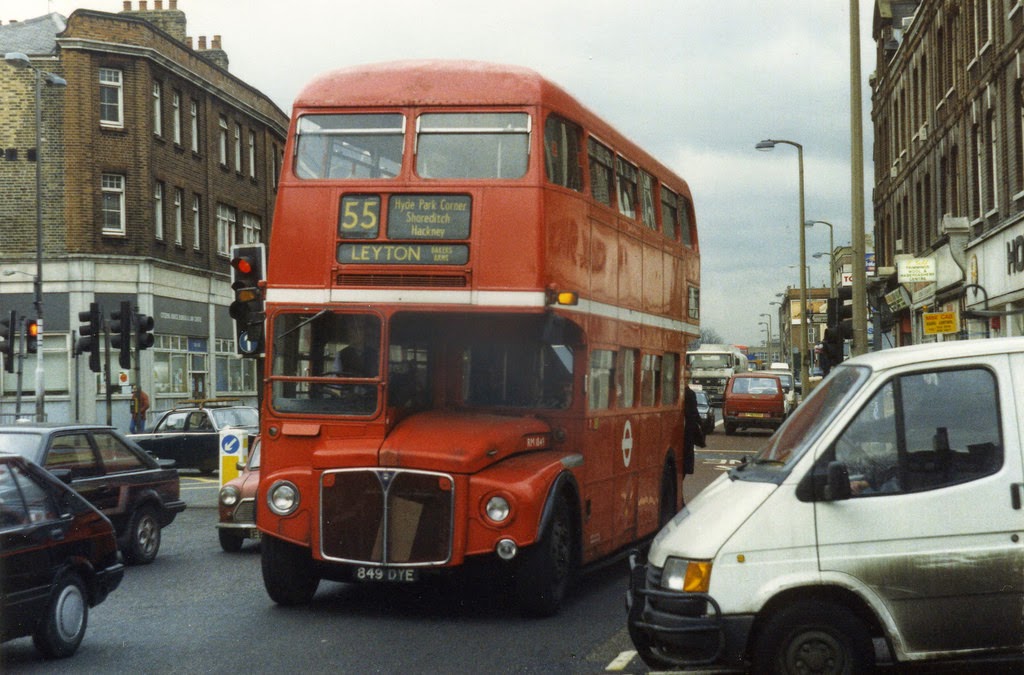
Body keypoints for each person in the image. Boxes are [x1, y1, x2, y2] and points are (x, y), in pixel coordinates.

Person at [683, 385, 706, 476]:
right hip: (686, 431)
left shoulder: (689, 393)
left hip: (686, 431)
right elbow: (694, 413)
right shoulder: (689, 393)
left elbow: (693, 412)